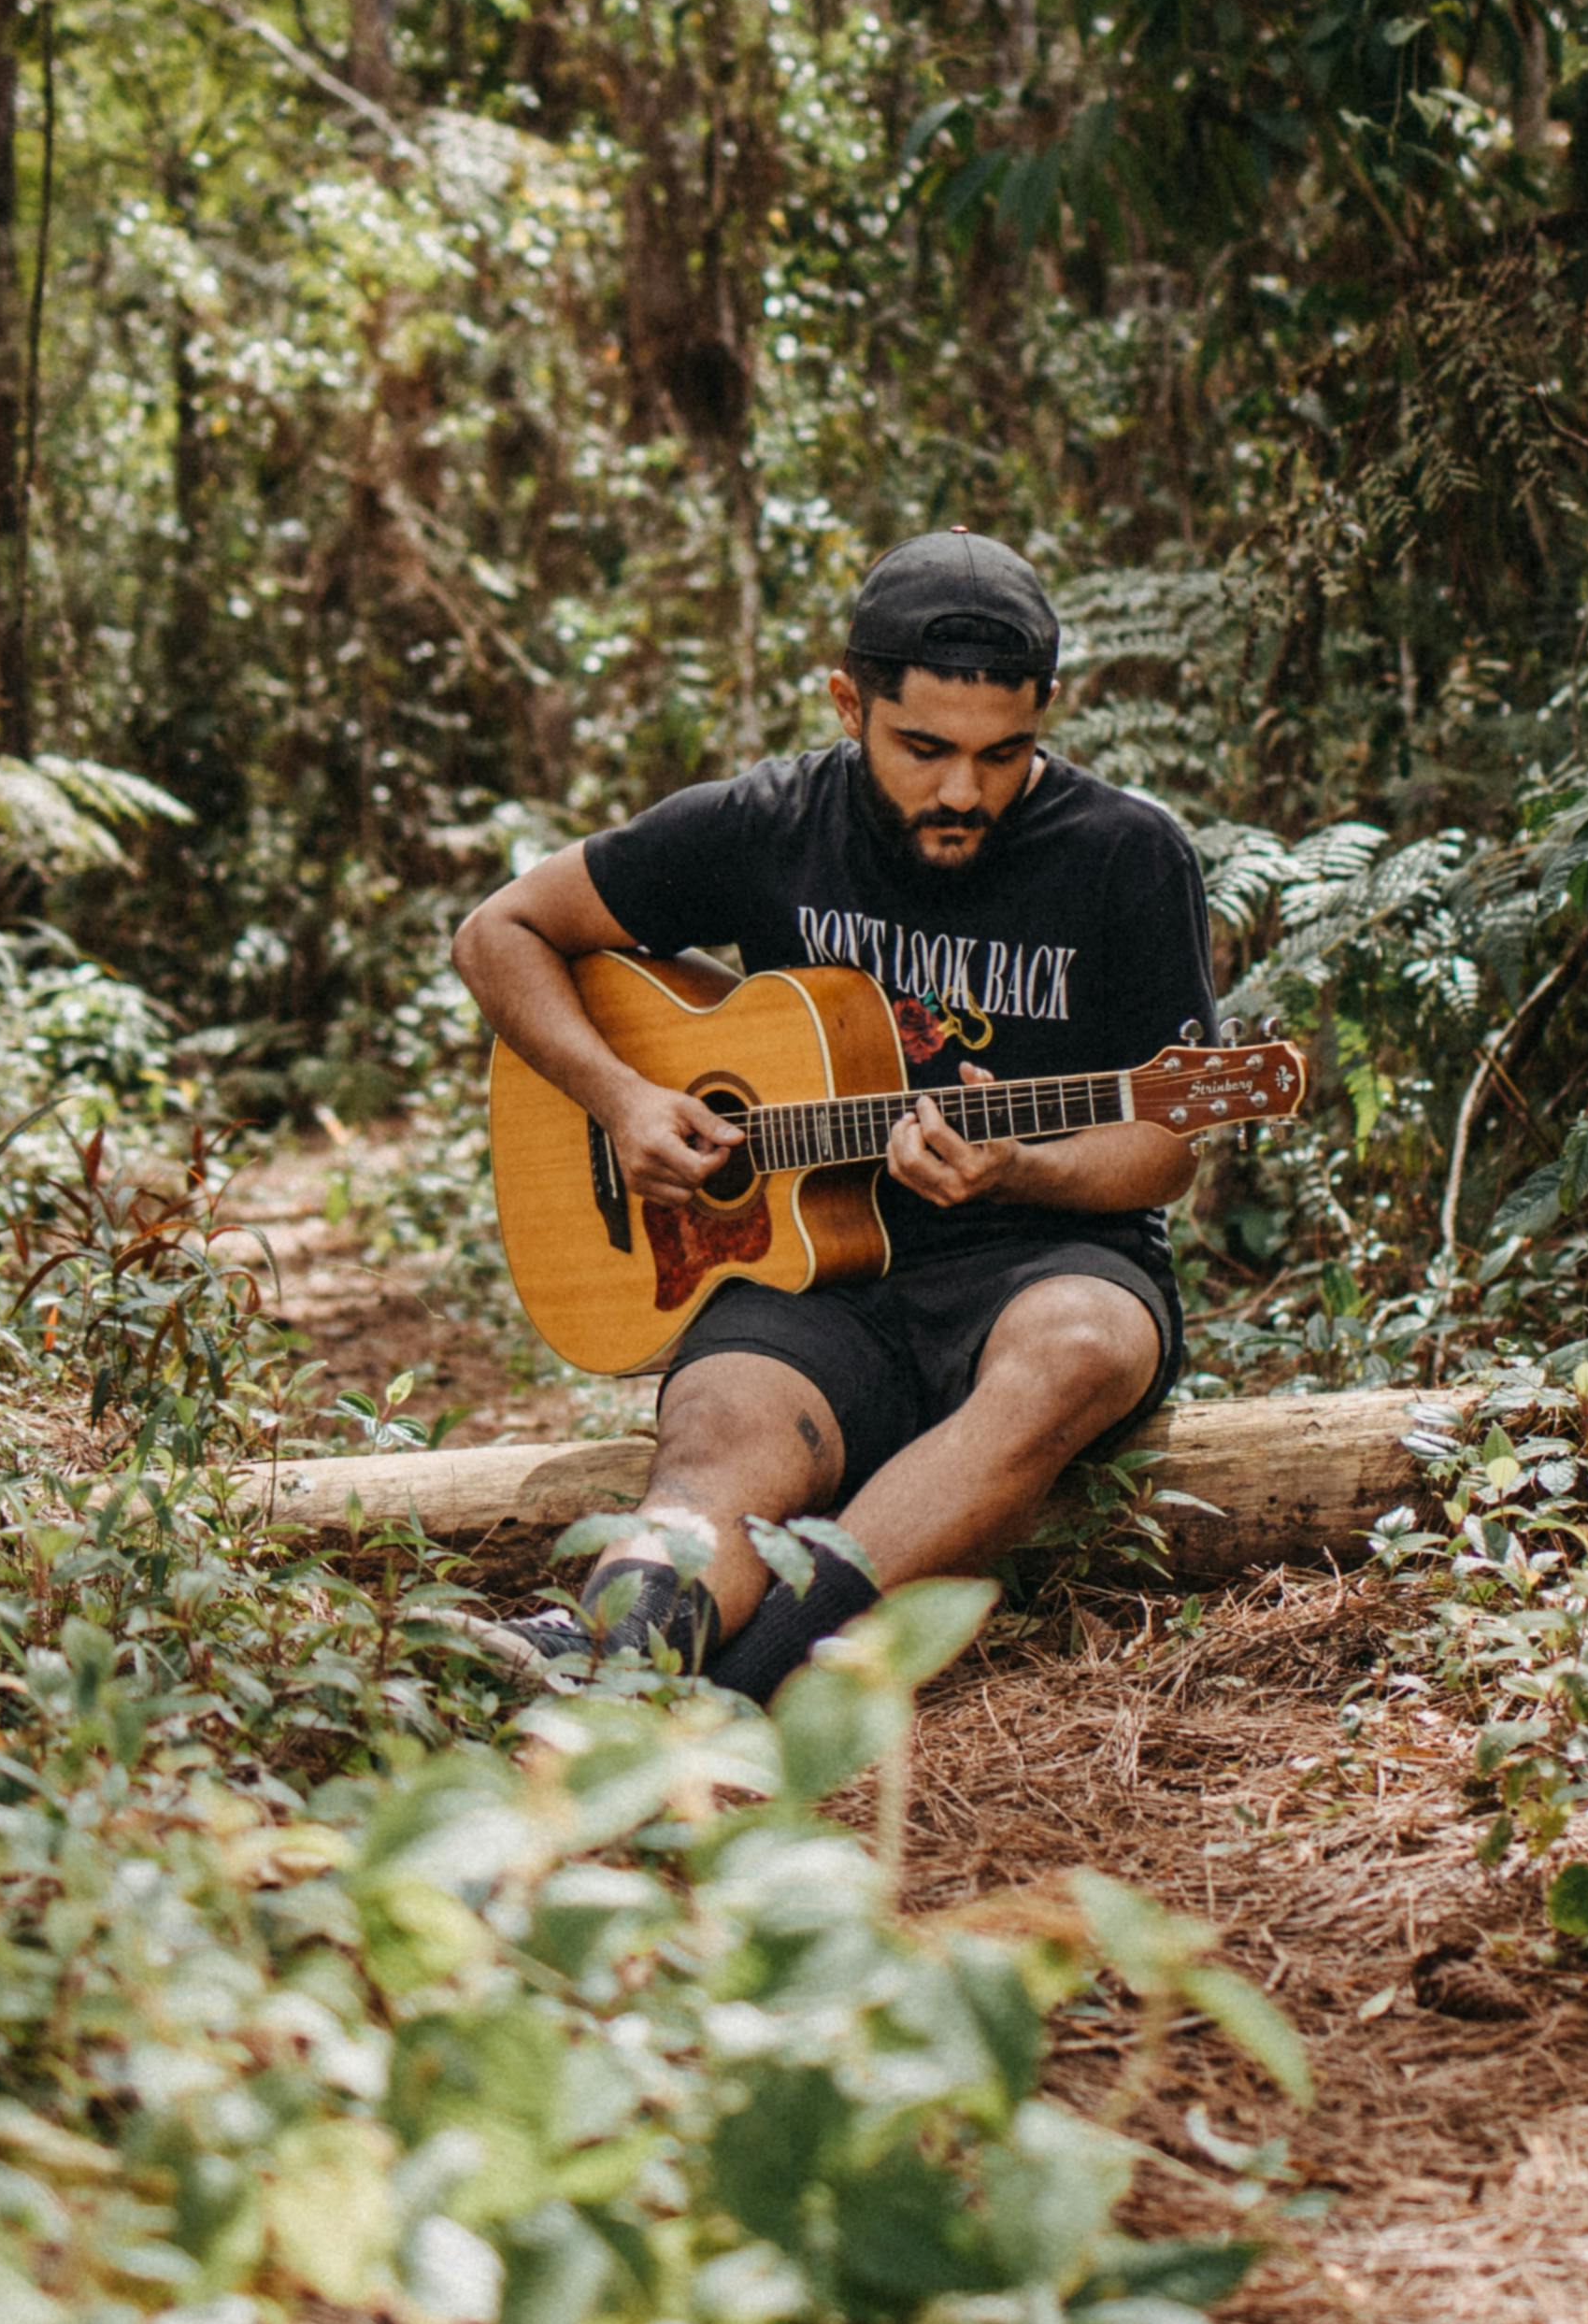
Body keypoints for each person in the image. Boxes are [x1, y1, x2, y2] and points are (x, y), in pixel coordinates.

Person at [446, 529, 1223, 1697]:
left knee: (1076, 1352)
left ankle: (738, 1691)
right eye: (923, 748)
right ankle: (607, 1657)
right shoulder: (768, 822)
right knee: (720, 1434)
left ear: (1049, 712)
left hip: (1049, 1261)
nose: (963, 789)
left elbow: (1167, 1146)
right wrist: (622, 1099)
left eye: (1005, 752)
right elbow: (496, 933)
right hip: (816, 1278)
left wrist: (1023, 1167)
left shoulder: (1128, 856)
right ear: (847, 701)